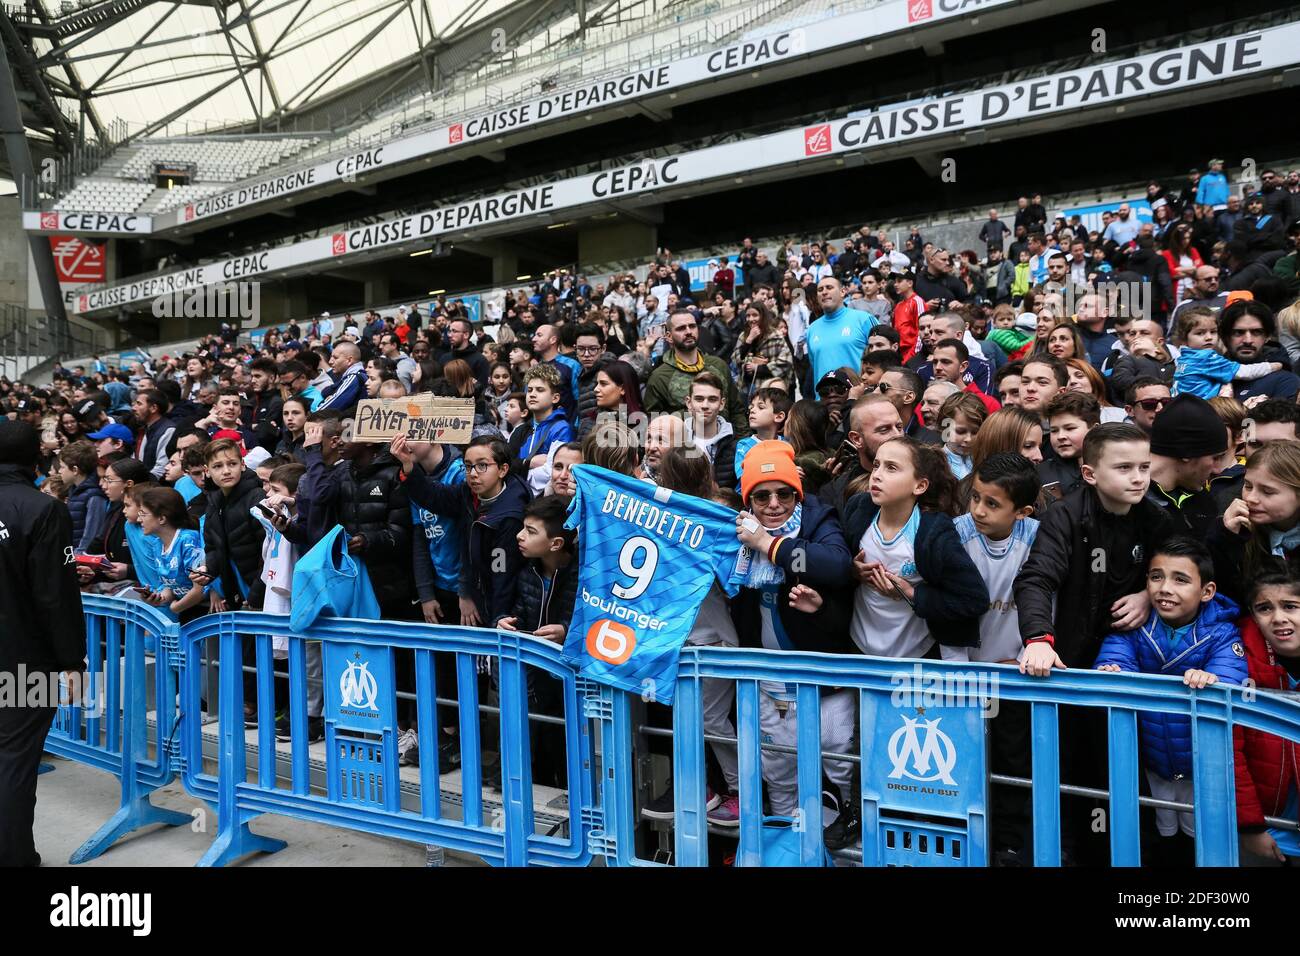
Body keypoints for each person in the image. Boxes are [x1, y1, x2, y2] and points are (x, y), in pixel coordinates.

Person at [1015, 423, 1175, 862]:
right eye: (1124, 468)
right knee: (1062, 782)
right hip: (1071, 670)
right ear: (1089, 474)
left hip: (1136, 677)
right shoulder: (1064, 516)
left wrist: (1150, 591)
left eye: (1144, 466)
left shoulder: (1156, 517)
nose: (1138, 477)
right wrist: (1037, 640)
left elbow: (1189, 570)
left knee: (1124, 786)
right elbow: (1035, 578)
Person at [727, 441, 857, 839]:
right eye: (761, 495)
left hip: (824, 679)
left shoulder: (818, 518)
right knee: (778, 770)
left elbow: (836, 565)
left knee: (840, 766)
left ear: (798, 493)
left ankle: (847, 841)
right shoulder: (733, 529)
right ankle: (785, 844)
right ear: (748, 499)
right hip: (768, 682)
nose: (773, 504)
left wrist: (769, 546)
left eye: (784, 493)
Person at [1095, 536, 1247, 865]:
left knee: (1198, 830)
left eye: (1180, 579)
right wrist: (1112, 670)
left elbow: (1230, 675)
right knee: (1162, 825)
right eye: (1156, 576)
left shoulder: (1222, 632)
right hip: (1152, 756)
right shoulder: (1136, 625)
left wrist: (1213, 680)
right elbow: (1115, 658)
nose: (1165, 587)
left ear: (1206, 591)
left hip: (1200, 760)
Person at [0, 420, 86, 867]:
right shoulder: (42, 510)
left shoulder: (38, 510)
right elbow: (54, 595)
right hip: (22, 662)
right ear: (37, 456)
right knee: (15, 761)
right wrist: (73, 661)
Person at [392, 434, 530, 629]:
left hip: (498, 611)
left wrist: (499, 617)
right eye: (468, 466)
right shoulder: (469, 494)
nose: (473, 473)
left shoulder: (509, 517)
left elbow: (502, 574)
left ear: (502, 469)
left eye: (482, 465)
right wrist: (408, 465)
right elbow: (434, 496)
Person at [1233, 572, 1300, 864]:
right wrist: (1250, 827)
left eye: (1290, 606)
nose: (1278, 618)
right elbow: (1230, 751)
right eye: (1264, 608)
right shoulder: (1238, 662)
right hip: (1268, 828)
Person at [1207, 440, 1300, 605]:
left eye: (1268, 491)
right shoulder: (1234, 527)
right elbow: (1221, 593)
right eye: (1248, 486)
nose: (1251, 498)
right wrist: (1226, 537)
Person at [644, 311, 746, 432]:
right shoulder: (659, 377)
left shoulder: (718, 365)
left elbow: (737, 409)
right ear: (669, 337)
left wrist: (741, 444)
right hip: (685, 447)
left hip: (725, 444)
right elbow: (655, 423)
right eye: (681, 328)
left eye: (692, 326)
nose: (688, 332)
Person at [1146, 394, 1228, 538]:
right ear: (1187, 453)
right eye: (1215, 458)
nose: (1218, 469)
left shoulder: (1202, 500)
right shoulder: (1127, 502)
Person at [1172, 307, 1282, 399]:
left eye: (1213, 332)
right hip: (1203, 410)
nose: (1209, 338)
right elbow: (1245, 372)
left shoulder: (1183, 358)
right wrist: (1271, 366)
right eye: (1200, 333)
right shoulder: (1206, 358)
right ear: (1184, 338)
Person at [137, 486, 208, 620]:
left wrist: (175, 607)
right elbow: (172, 586)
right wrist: (160, 598)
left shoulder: (188, 540)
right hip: (188, 610)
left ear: (162, 519)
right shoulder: (157, 544)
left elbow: (199, 590)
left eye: (143, 514)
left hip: (206, 611)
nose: (139, 519)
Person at [507, 364, 573, 494]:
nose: (532, 394)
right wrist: (528, 463)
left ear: (555, 398)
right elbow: (506, 466)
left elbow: (551, 473)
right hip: (518, 495)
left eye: (540, 390)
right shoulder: (521, 429)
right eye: (530, 390)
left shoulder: (561, 428)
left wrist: (519, 472)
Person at [806, 276, 876, 384]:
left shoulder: (864, 319)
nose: (824, 292)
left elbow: (883, 356)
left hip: (858, 397)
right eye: (820, 290)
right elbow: (814, 365)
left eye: (829, 287)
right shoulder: (811, 329)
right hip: (824, 398)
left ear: (843, 292)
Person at [1039, 391, 1101, 499]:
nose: (1060, 436)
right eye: (1054, 430)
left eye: (1070, 428)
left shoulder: (1112, 469)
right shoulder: (1039, 474)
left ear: (1094, 429)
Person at [59, 441, 109, 552]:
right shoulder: (74, 490)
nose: (59, 471)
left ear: (75, 470)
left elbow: (91, 533)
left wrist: (80, 555)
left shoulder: (94, 496)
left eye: (62, 467)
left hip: (83, 559)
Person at [937, 391, 987, 480]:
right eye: (960, 431)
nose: (968, 439)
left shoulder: (985, 461)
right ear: (944, 428)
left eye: (975, 432)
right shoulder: (935, 464)